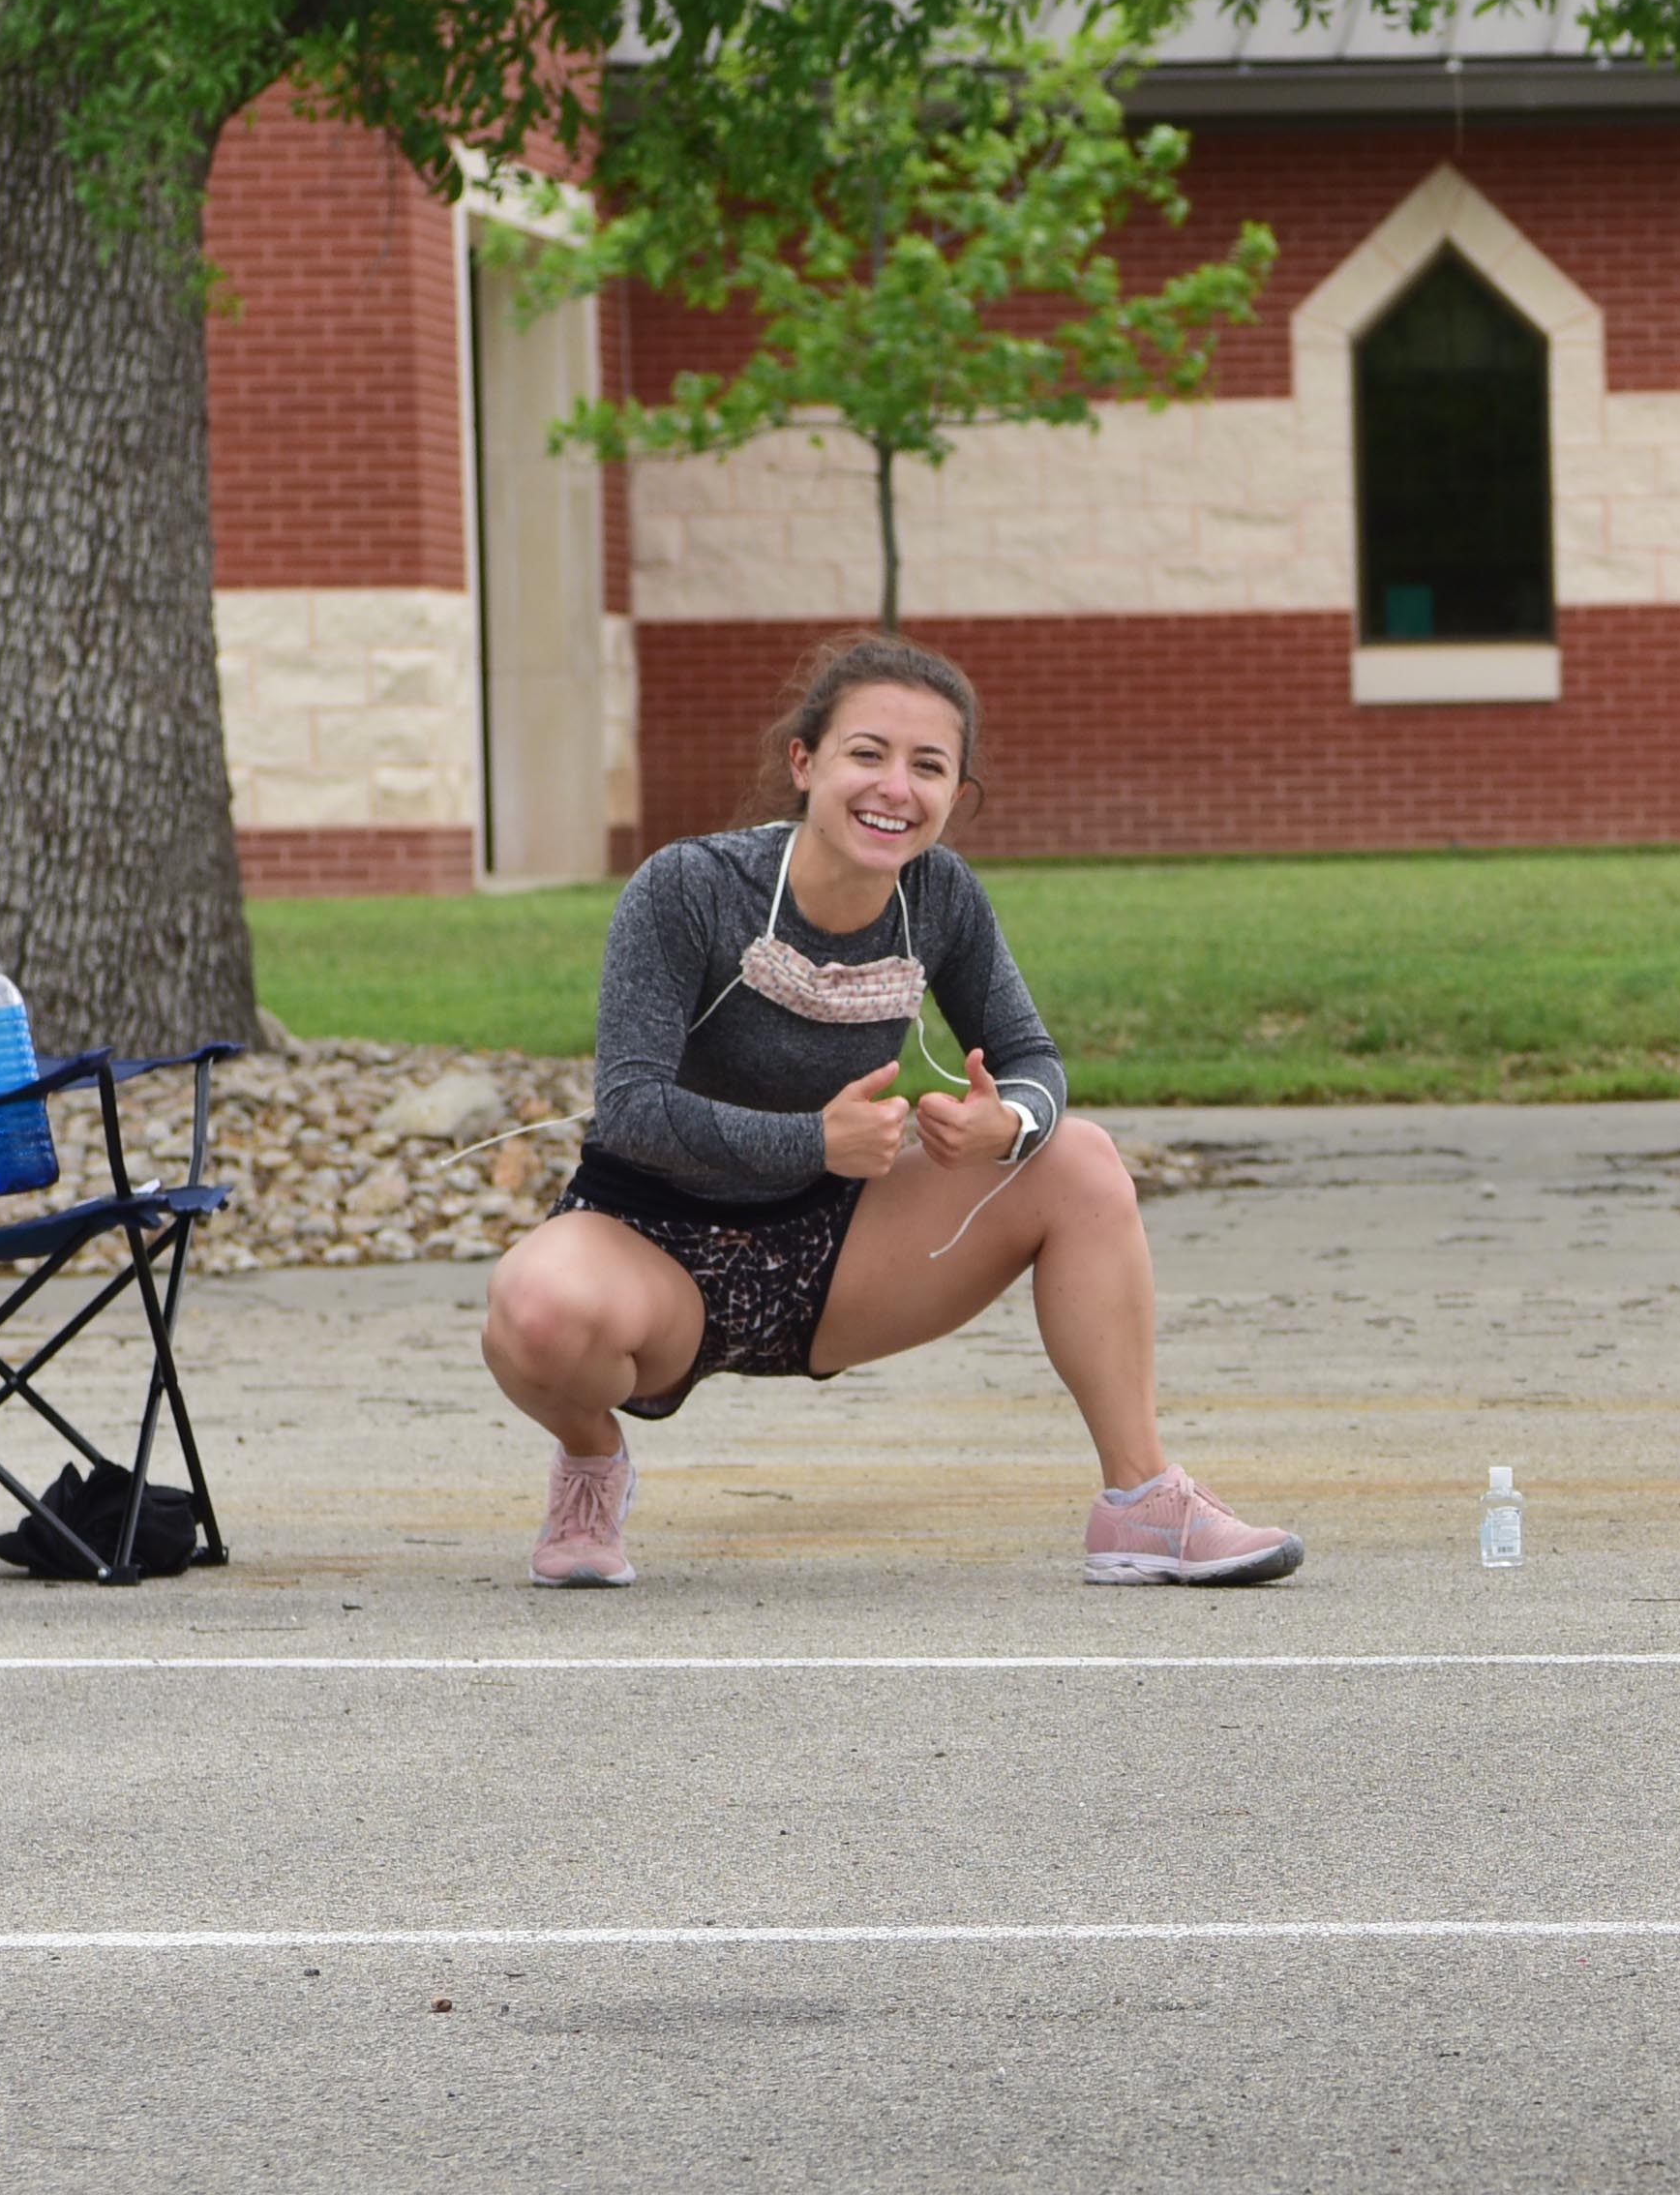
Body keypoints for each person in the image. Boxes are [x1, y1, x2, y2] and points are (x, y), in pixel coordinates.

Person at [479, 634, 1304, 1591]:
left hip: (843, 1257)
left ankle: (1142, 1504)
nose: (894, 788)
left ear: (958, 793)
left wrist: (1009, 1126)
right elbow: (627, 1108)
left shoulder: (941, 896)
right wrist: (813, 1138)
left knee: (1077, 1160)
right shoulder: (690, 889)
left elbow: (1034, 1060)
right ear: (805, 762)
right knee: (535, 1310)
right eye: (867, 753)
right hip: (652, 1251)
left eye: (928, 766)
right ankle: (591, 1460)